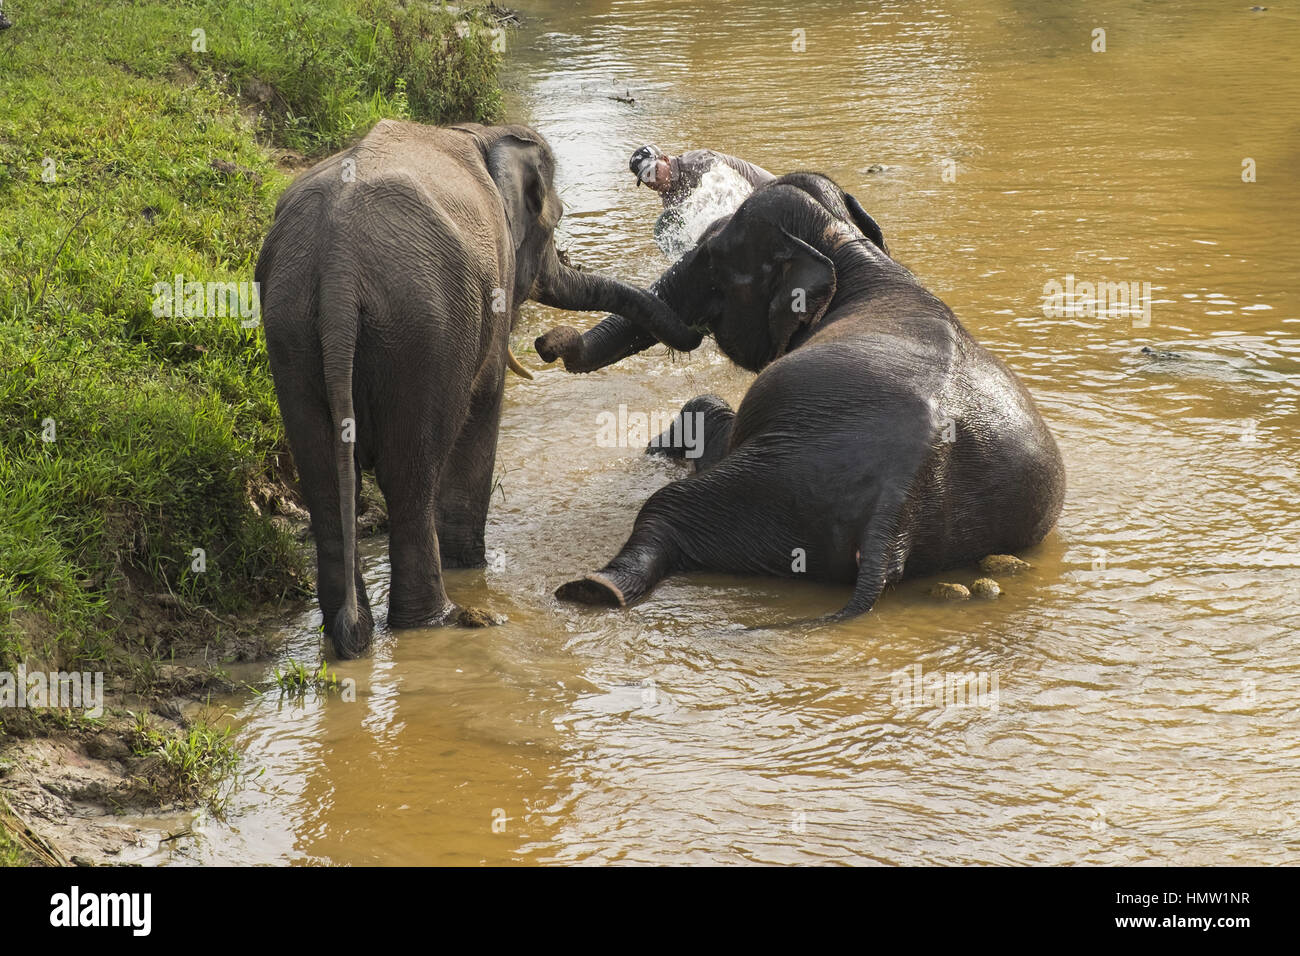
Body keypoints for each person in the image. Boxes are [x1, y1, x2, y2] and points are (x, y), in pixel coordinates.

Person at [629, 144, 774, 208]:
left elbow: (732, 193)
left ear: (665, 160)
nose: (652, 182)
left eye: (653, 172)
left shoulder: (696, 162)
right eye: (645, 180)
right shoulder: (669, 198)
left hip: (770, 192)